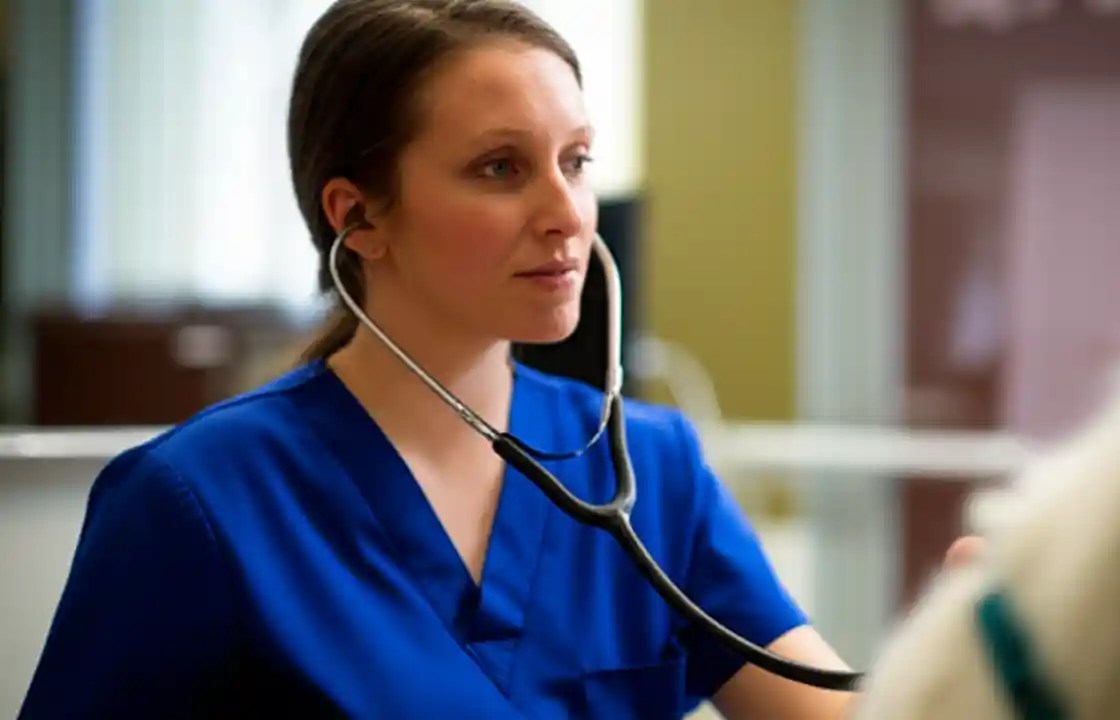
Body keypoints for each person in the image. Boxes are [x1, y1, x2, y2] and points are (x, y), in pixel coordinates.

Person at [21, 1, 972, 717]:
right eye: (501, 168)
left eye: (577, 160)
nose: (566, 213)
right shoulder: (197, 501)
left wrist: (981, 654)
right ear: (359, 217)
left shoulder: (650, 469)